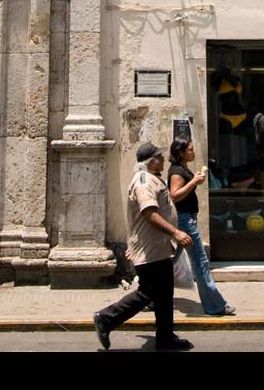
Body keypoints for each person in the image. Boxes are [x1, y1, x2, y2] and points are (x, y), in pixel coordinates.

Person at [93, 141, 195, 351]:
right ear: (151, 161)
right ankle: (106, 318)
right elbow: (149, 213)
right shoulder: (143, 181)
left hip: (158, 248)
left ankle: (165, 337)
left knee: (165, 293)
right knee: (147, 292)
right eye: (159, 157)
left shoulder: (151, 178)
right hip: (150, 250)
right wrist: (176, 232)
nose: (163, 160)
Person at [168, 139, 235, 316]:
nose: (193, 152)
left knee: (171, 262)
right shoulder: (176, 172)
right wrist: (193, 182)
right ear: (180, 152)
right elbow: (174, 196)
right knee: (200, 262)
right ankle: (215, 305)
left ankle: (148, 294)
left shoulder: (183, 169)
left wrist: (194, 179)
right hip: (185, 220)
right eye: (190, 150)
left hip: (187, 218)